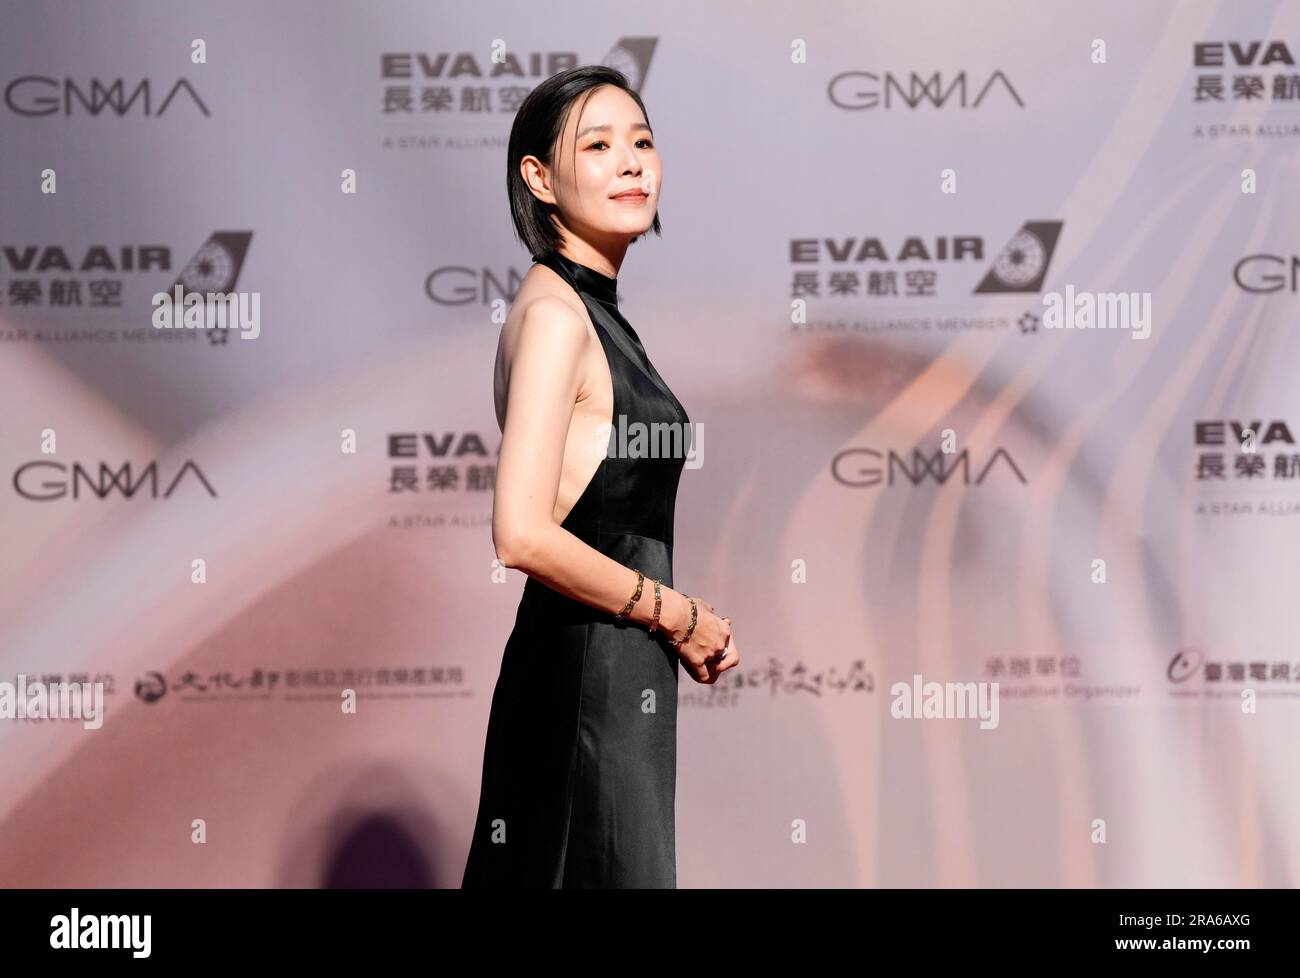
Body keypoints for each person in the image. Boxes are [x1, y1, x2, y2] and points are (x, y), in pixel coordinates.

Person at [461, 65, 740, 889]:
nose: (632, 163)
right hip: (590, 681)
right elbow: (520, 533)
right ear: (539, 178)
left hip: (612, 675)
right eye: (599, 144)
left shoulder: (592, 312)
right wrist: (677, 615)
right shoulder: (555, 317)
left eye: (643, 142)